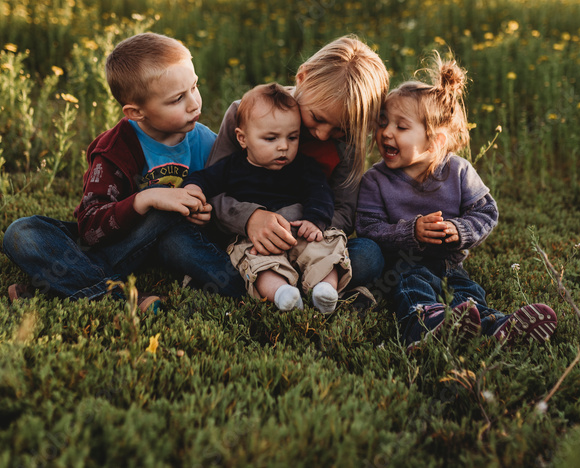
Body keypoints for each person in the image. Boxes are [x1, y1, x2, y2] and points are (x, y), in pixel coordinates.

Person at [1, 32, 245, 304]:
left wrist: (206, 211)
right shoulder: (114, 150)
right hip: (120, 245)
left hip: (174, 243)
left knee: (179, 235)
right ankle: (124, 298)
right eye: (177, 99)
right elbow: (91, 229)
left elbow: (228, 194)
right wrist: (148, 198)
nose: (194, 103)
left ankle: (70, 286)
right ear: (136, 112)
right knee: (22, 233)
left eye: (194, 87)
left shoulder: (206, 140)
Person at [356, 52, 557, 350]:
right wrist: (410, 232)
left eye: (401, 127)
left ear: (434, 140)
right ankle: (426, 325)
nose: (385, 133)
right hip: (401, 265)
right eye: (383, 123)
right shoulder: (375, 180)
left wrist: (459, 230)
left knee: (467, 291)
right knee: (412, 286)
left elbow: (486, 212)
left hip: (449, 263)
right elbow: (367, 228)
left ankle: (496, 324)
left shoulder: (458, 171)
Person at [207, 36, 390, 306]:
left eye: (340, 128)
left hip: (312, 241)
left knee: (369, 255)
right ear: (302, 78)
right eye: (317, 118)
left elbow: (344, 212)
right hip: (251, 241)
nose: (324, 133)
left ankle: (278, 286)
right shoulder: (246, 114)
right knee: (179, 244)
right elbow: (213, 190)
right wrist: (251, 219)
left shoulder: (346, 146)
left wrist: (302, 225)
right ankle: (295, 284)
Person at [186, 84, 351, 313]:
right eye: (271, 138)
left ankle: (325, 290)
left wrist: (314, 221)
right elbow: (205, 180)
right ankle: (283, 293)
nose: (283, 146)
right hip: (257, 241)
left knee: (326, 250)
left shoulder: (303, 166)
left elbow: (321, 193)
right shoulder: (232, 167)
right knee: (259, 264)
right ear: (242, 139)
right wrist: (193, 188)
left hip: (301, 232)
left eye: (292, 138)